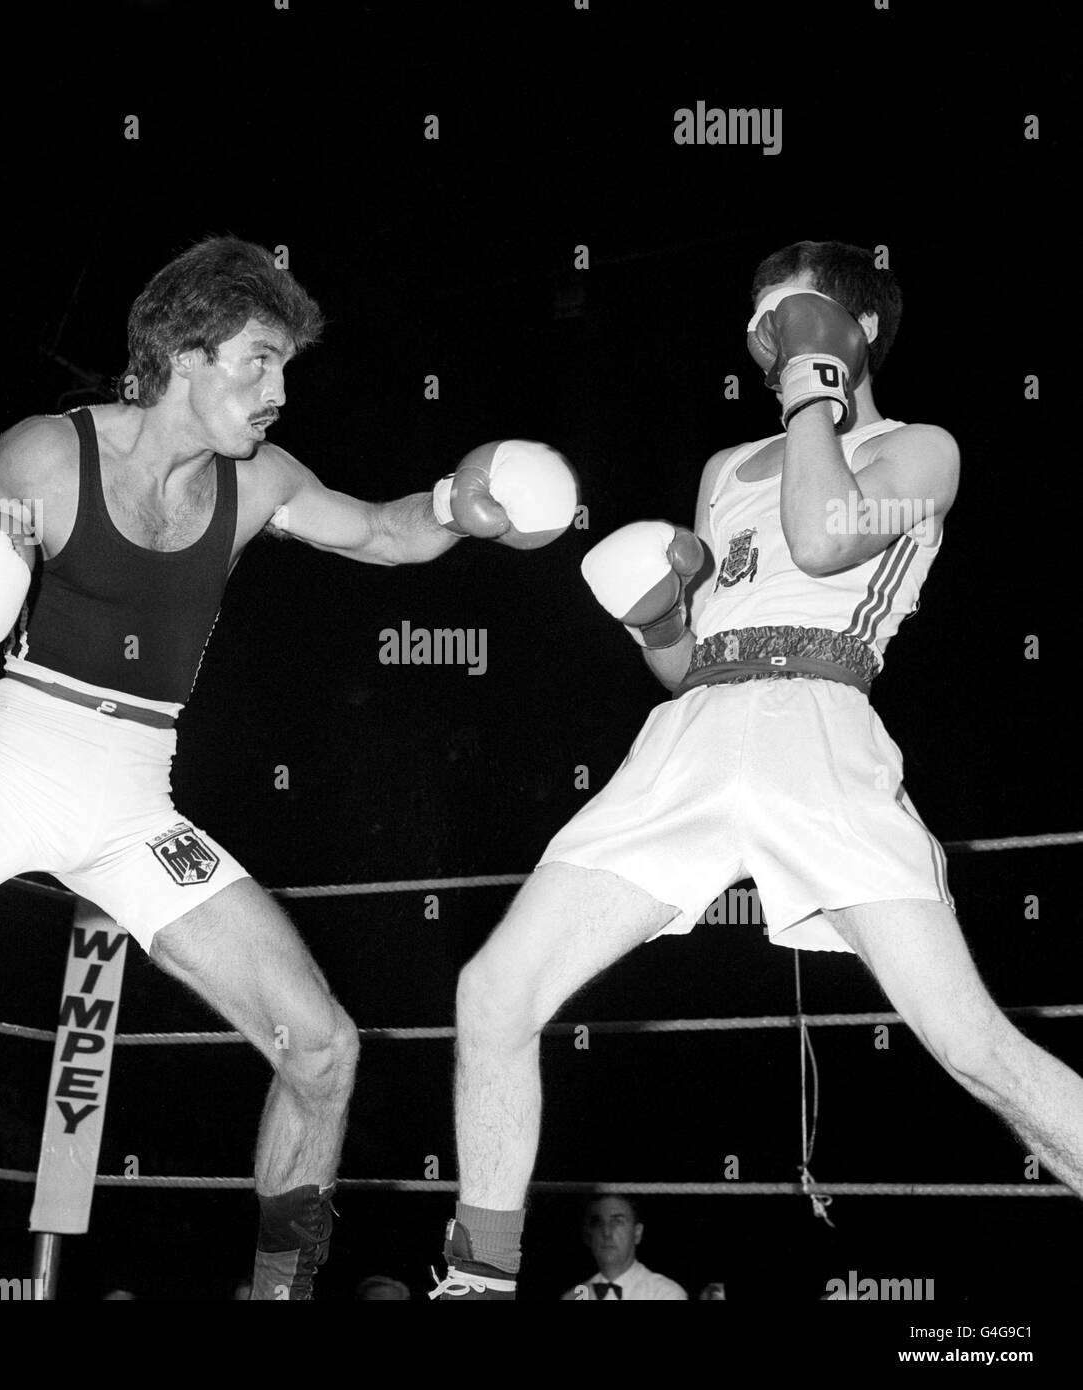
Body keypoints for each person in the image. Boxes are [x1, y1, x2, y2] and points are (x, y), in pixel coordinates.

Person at [0, 235, 576, 1302]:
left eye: (287, 367)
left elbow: (383, 535)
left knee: (323, 1049)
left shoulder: (260, 482)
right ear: (184, 355)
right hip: (8, 776)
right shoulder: (52, 457)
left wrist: (452, 499)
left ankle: (279, 1291)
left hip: (133, 809)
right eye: (259, 360)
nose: (279, 391)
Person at [430, 240, 1083, 1300]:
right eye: (764, 318)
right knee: (493, 989)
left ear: (856, 331)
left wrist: (814, 392)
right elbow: (687, 665)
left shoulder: (922, 452)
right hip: (690, 739)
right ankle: (478, 1276)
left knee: (973, 1048)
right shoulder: (722, 471)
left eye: (800, 315)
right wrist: (654, 616)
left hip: (820, 730)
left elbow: (825, 543)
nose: (772, 335)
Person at [561, 1195, 686, 1301]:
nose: (606, 1232)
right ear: (588, 1236)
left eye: (617, 1222)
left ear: (637, 1233)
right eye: (598, 1223)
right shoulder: (575, 1295)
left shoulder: (665, 1293)